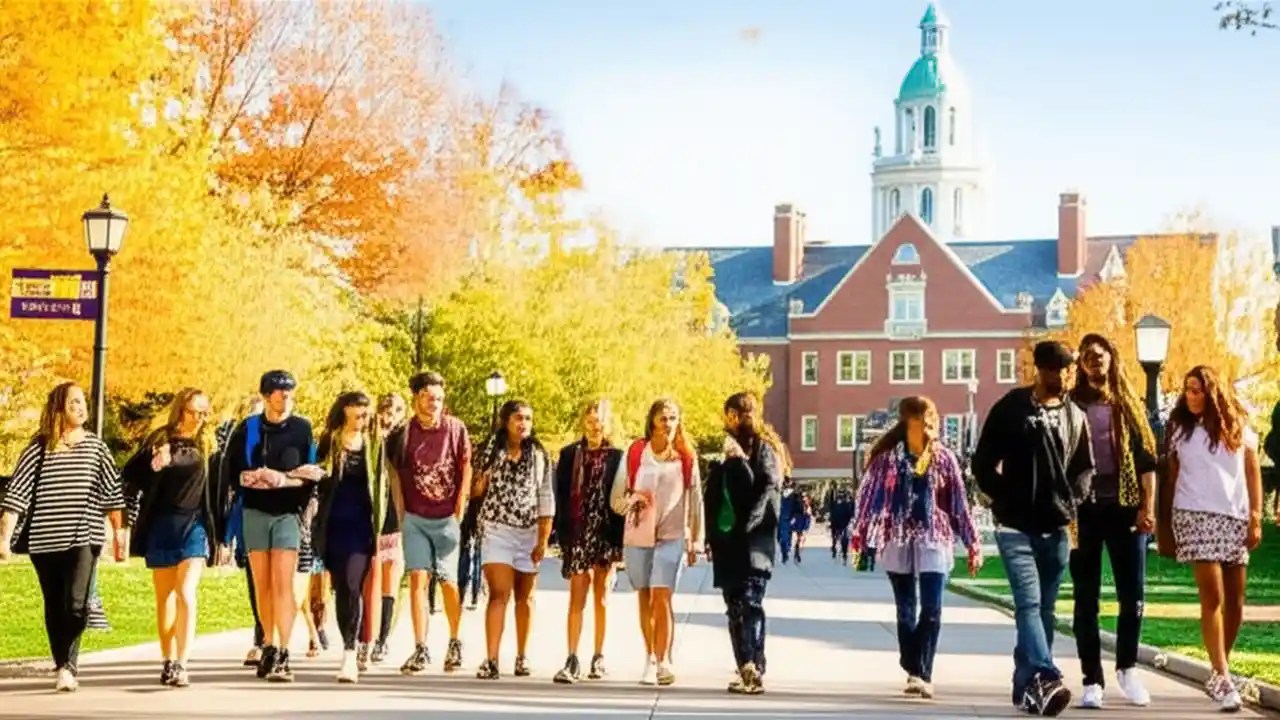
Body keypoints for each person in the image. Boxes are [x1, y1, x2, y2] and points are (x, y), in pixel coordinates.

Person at [973, 340, 1093, 717]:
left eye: (1067, 369)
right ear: (1038, 370)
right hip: (1015, 528)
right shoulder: (1012, 408)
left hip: (1055, 527)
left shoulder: (1076, 416)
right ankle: (1046, 674)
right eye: (1055, 370)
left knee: (1045, 611)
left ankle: (1026, 684)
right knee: (1028, 603)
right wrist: (1004, 498)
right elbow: (982, 463)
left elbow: (1084, 468)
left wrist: (1071, 500)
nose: (1062, 376)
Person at [851, 396, 982, 700]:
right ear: (906, 422)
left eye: (929, 421)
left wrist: (972, 542)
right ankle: (913, 668)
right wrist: (859, 532)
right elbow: (868, 496)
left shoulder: (944, 459)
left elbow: (958, 504)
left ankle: (924, 672)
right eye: (919, 420)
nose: (925, 427)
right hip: (897, 538)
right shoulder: (886, 459)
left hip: (933, 538)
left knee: (933, 609)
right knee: (906, 610)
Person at [0, 382, 127, 692]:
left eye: (82, 402)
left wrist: (119, 535)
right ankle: (63, 665)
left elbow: (112, 494)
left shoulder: (96, 447)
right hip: (44, 542)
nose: (81, 408)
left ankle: (69, 663)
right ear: (58, 408)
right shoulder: (39, 447)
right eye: (73, 403)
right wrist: (3, 539)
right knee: (55, 604)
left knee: (75, 604)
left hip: (84, 537)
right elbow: (17, 495)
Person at [1163, 366, 1263, 712]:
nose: (1190, 396)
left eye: (1197, 390)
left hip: (1233, 516)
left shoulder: (1238, 426)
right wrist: (1166, 525)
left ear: (1212, 392)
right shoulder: (1178, 428)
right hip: (1193, 514)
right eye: (1187, 390)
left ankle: (1220, 668)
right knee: (1214, 595)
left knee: (1236, 601)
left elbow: (1252, 472)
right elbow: (1171, 477)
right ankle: (1221, 674)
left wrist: (1255, 516)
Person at [1068, 335, 1159, 709]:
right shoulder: (1072, 406)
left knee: (1132, 595)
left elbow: (1148, 461)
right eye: (1087, 357)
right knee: (1085, 598)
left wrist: (1148, 507)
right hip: (1083, 512)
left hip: (1125, 510)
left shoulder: (1129, 406)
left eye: (1100, 356)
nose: (1094, 362)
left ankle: (1127, 667)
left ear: (1111, 359)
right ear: (1081, 365)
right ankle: (1092, 679)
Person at [218, 370, 323, 683]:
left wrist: (285, 479)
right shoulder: (248, 428)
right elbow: (232, 471)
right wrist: (253, 477)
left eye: (289, 391)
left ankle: (284, 650)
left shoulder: (303, 428)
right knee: (262, 584)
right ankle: (269, 643)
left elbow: (312, 472)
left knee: (283, 583)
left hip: (288, 513)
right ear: (265, 396)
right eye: (279, 391)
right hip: (255, 511)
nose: (285, 396)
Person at [120, 388, 217, 688]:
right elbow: (131, 472)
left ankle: (183, 663)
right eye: (194, 411)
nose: (199, 418)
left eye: (204, 412)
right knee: (165, 597)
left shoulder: (207, 443)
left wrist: (223, 536)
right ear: (180, 411)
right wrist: (153, 461)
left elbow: (194, 466)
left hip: (195, 525)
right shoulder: (159, 439)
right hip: (161, 524)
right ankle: (167, 660)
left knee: (185, 592)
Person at [610, 398, 703, 687]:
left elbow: (696, 499)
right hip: (639, 534)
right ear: (652, 420)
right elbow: (616, 498)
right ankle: (649, 657)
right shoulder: (637, 452)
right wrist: (632, 503)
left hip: (672, 535)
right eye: (663, 417)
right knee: (645, 596)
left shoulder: (685, 456)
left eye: (673, 417)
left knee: (662, 597)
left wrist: (695, 540)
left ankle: (664, 660)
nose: (668, 423)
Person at [386, 372, 472, 674]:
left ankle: (455, 639)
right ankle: (420, 647)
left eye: (438, 397)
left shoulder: (456, 429)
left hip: (446, 516)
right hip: (415, 518)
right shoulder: (404, 433)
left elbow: (465, 467)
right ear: (416, 400)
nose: (433, 403)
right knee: (418, 579)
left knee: (448, 580)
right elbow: (395, 473)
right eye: (427, 397)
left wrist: (460, 508)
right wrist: (401, 513)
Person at [704, 392, 783, 695]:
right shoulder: (724, 449)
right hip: (729, 544)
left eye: (731, 414)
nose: (728, 420)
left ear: (738, 415)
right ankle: (747, 666)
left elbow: (761, 494)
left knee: (750, 603)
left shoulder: (765, 450)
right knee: (735, 607)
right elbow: (715, 497)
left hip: (754, 544)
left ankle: (752, 664)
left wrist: (736, 462)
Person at [472, 399, 554, 679]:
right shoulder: (490, 450)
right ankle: (491, 659)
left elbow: (546, 497)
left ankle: (522, 656)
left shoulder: (539, 456)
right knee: (499, 593)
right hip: (497, 528)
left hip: (528, 530)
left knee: (525, 597)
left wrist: (543, 539)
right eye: (518, 418)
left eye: (528, 419)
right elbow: (474, 490)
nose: (523, 424)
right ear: (506, 422)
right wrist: (486, 474)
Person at [313, 391, 387, 684]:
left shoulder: (373, 444)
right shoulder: (329, 440)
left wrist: (382, 528)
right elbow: (317, 479)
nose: (364, 417)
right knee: (342, 586)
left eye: (367, 412)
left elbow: (381, 485)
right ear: (345, 410)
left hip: (361, 528)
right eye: (359, 411)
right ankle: (347, 644)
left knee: (354, 584)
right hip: (333, 526)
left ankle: (349, 652)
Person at [552, 399, 625, 684]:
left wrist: (620, 542)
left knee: (602, 597)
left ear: (608, 423)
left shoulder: (618, 457)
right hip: (579, 533)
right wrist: (560, 534)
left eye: (601, 419)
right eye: (591, 418)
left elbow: (621, 498)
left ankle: (599, 655)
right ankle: (571, 657)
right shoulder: (570, 454)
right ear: (583, 421)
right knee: (576, 598)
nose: (595, 424)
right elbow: (560, 494)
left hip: (605, 534)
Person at [213, 394, 267, 669]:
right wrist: (226, 538)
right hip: (250, 520)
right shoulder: (241, 444)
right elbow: (235, 496)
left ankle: (273, 639)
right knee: (256, 583)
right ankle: (262, 638)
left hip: (279, 516)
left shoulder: (290, 433)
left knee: (275, 584)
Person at [365, 393, 407, 665]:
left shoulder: (403, 440)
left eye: (396, 410)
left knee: (390, 578)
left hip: (394, 518)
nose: (390, 414)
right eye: (385, 408)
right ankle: (365, 637)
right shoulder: (367, 438)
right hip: (369, 517)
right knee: (370, 579)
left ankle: (382, 639)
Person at [827, 486, 855, 564]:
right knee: (842, 538)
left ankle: (839, 550)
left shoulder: (839, 504)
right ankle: (840, 551)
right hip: (840, 524)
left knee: (841, 538)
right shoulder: (844, 504)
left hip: (840, 524)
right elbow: (850, 514)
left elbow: (850, 514)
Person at [777, 478, 796, 564]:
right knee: (780, 538)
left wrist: (794, 517)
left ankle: (785, 553)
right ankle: (784, 552)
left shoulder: (793, 496)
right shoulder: (780, 494)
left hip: (787, 519)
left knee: (785, 537)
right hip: (780, 519)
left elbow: (797, 508)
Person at [790, 494, 813, 564]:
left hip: (799, 524)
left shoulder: (801, 506)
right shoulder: (805, 507)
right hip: (801, 524)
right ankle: (797, 552)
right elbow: (808, 518)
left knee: (800, 539)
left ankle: (797, 551)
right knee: (801, 539)